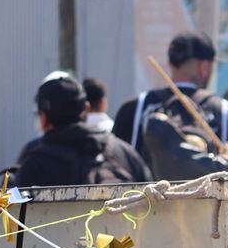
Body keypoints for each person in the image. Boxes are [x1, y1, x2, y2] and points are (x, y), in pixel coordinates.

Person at [111, 32, 228, 176]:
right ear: (204, 67)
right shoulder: (224, 111)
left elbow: (115, 160)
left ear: (170, 63)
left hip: (146, 197)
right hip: (206, 197)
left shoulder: (137, 107)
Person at [9, 74, 151, 188]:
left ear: (44, 118)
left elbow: (14, 217)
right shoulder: (122, 152)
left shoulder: (33, 164)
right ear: (86, 109)